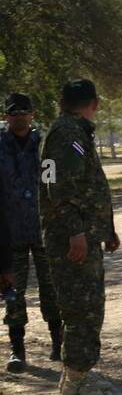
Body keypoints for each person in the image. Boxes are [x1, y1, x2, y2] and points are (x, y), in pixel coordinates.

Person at [38, 79, 120, 395]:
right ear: (94, 103)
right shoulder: (69, 136)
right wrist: (76, 232)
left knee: (85, 304)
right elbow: (57, 190)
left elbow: (87, 187)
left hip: (82, 234)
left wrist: (106, 230)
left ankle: (76, 373)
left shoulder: (70, 132)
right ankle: (76, 382)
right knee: (81, 307)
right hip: (71, 239)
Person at [0, 93, 62, 372]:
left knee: (52, 288)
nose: (19, 116)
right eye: (14, 112)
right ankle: (17, 350)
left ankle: (59, 344)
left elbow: (55, 184)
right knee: (13, 292)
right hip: (10, 232)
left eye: (24, 111)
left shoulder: (44, 144)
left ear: (33, 114)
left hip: (43, 229)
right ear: (6, 116)